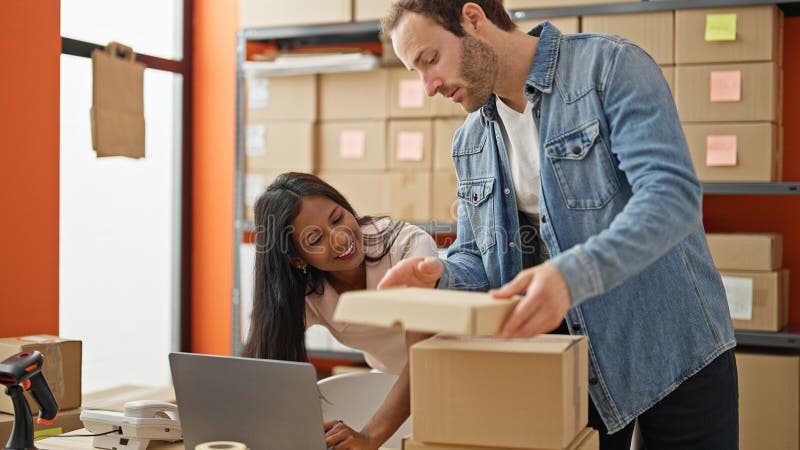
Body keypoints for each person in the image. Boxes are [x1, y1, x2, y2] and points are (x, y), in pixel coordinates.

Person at [378, 2, 738, 449]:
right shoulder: (469, 141)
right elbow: (478, 262)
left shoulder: (608, 68)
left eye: (430, 60)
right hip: (571, 367)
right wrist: (440, 277)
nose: (428, 86)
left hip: (674, 348)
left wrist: (570, 276)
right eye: (415, 71)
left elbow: (671, 199)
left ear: (474, 20)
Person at [242, 172, 437, 450]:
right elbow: (266, 364)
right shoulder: (307, 289)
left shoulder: (407, 247)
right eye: (314, 239)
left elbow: (422, 359)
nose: (340, 239)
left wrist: (369, 436)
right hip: (390, 386)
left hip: (456, 375)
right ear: (297, 258)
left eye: (337, 218)